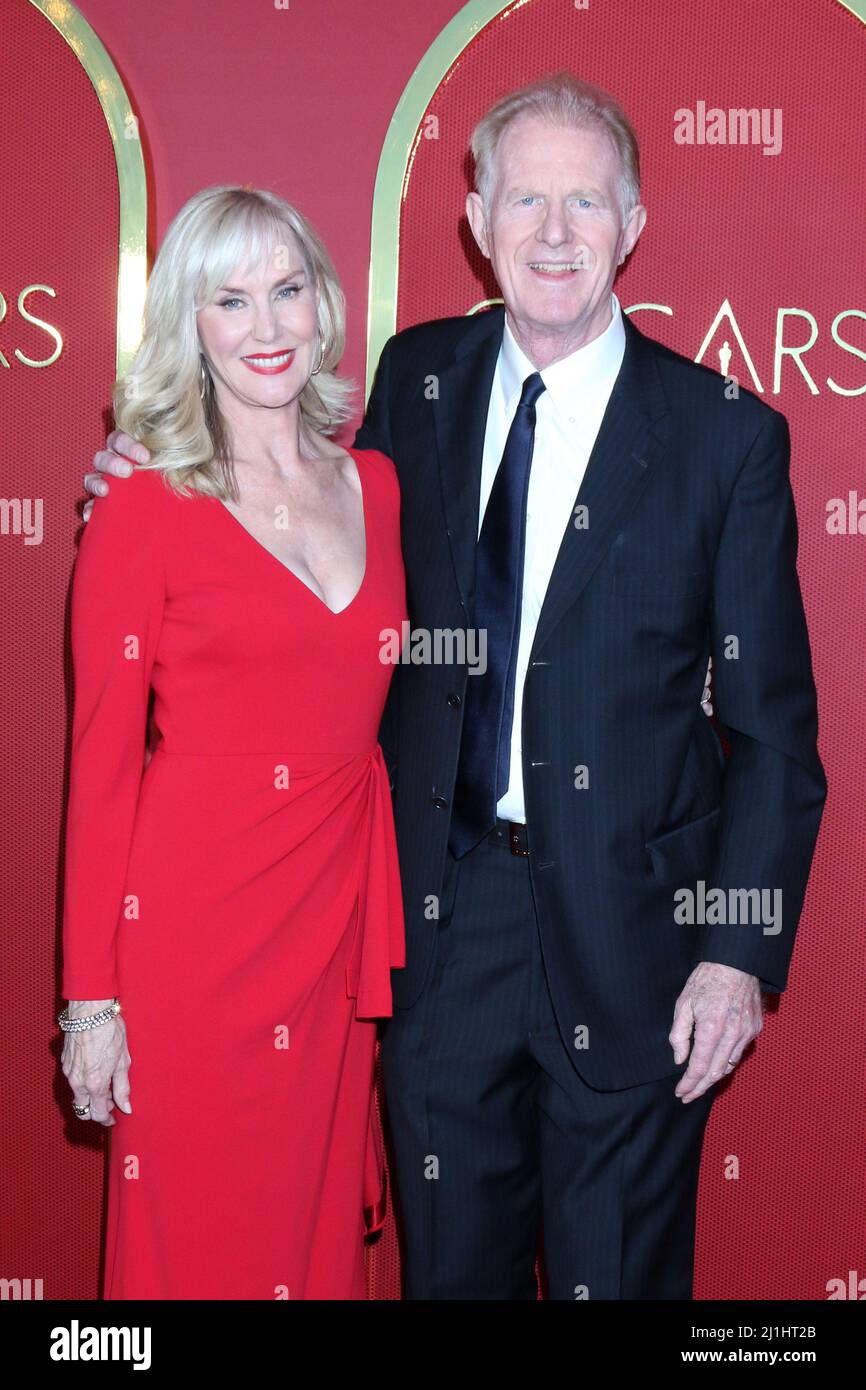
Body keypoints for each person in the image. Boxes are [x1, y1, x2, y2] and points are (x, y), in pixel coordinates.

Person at [86, 74, 827, 1300]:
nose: (551, 232)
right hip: (433, 928)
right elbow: (286, 527)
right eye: (522, 197)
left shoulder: (722, 436)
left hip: (636, 943)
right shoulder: (414, 383)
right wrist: (151, 456)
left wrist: (736, 953)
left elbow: (772, 733)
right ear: (473, 217)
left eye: (581, 201)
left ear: (631, 224)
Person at [62, 185, 406, 1299]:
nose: (266, 326)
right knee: (196, 1238)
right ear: (189, 326)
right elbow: (102, 766)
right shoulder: (143, 504)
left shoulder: (381, 486)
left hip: (332, 929)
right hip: (191, 941)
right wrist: (90, 1002)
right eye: (230, 299)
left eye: (287, 289)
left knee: (305, 1236)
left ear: (323, 304)